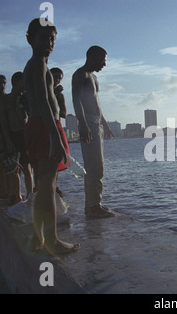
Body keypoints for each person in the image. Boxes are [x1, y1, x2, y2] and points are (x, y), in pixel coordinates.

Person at [23, 18, 79, 254]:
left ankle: (38, 238)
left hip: (40, 125)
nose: (50, 42)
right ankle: (53, 240)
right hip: (46, 126)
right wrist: (55, 137)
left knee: (44, 184)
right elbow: (45, 103)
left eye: (53, 38)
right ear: (30, 39)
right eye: (44, 37)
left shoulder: (36, 65)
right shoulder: (38, 65)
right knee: (48, 185)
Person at [72, 46, 115, 218]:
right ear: (92, 57)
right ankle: (92, 206)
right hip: (88, 122)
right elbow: (77, 100)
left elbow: (97, 104)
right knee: (93, 166)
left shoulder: (94, 78)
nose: (104, 64)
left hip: (96, 124)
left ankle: (94, 203)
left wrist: (105, 125)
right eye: (102, 60)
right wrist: (83, 125)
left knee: (98, 166)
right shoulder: (80, 75)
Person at [0, 71, 33, 205]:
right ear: (17, 83)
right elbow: (3, 121)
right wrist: (7, 140)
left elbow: (24, 118)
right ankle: (16, 194)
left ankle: (29, 195)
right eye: (24, 82)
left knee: (26, 166)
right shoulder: (5, 99)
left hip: (23, 135)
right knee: (14, 167)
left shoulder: (24, 99)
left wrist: (20, 103)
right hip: (11, 135)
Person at [51, 67, 66, 197]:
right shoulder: (42, 90)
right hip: (43, 127)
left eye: (59, 78)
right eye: (55, 77)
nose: (57, 80)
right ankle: (40, 186)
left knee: (57, 159)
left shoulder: (60, 95)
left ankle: (54, 186)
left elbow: (63, 113)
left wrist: (56, 95)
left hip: (56, 125)